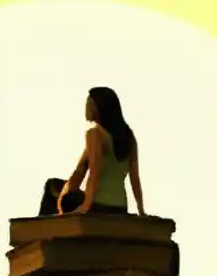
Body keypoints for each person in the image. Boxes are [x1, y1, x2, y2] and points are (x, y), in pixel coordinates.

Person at [39, 86, 147, 217]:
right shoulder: (128, 136)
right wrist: (141, 210)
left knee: (51, 188)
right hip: (120, 206)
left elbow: (94, 174)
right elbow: (134, 178)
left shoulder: (94, 134)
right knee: (58, 185)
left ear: (99, 107)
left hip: (98, 205)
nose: (86, 107)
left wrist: (85, 206)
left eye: (90, 103)